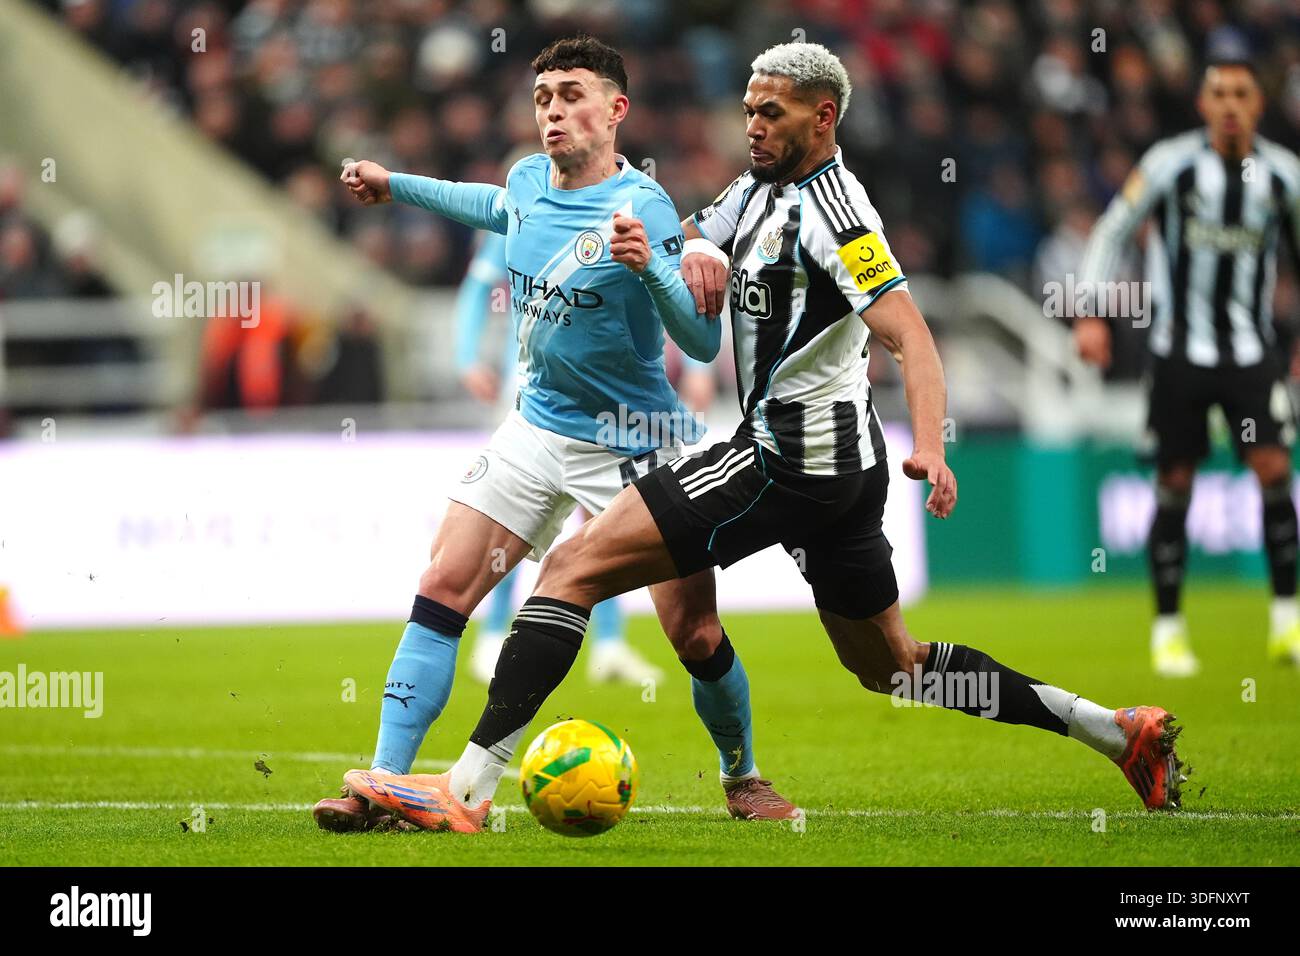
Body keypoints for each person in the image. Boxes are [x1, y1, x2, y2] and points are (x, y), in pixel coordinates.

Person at [346, 42, 1186, 834]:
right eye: (749, 110)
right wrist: (697, 251)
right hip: (843, 473)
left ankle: (464, 791)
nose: (752, 127)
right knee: (894, 664)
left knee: (571, 570)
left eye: (772, 114)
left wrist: (932, 442)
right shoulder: (757, 187)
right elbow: (700, 229)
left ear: (823, 118)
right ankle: (1118, 733)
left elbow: (912, 337)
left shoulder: (836, 215)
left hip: (786, 463)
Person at [313, 35, 798, 832]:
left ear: (616, 109)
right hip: (538, 426)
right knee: (443, 585)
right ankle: (387, 784)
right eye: (542, 99)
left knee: (694, 631)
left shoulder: (643, 206)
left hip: (640, 440)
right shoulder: (529, 180)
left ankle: (743, 776)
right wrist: (393, 184)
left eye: (571, 95)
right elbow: (488, 206)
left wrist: (650, 271)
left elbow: (703, 344)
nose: (553, 112)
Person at [1075, 60, 1300, 675]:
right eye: (1218, 93)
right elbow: (1111, 228)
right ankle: (1169, 631)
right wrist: (1090, 312)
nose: (1229, 104)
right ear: (1203, 104)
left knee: (1274, 469)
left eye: (1241, 93)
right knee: (1175, 481)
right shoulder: (1172, 162)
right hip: (1178, 355)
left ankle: (1287, 622)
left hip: (1253, 354)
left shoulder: (1283, 176)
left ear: (1258, 105)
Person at [452, 223, 662, 686]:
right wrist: (468, 356)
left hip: (601, 391)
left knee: (609, 519)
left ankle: (608, 643)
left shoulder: (615, 216)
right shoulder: (524, 212)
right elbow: (478, 287)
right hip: (530, 388)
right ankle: (492, 635)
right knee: (513, 516)